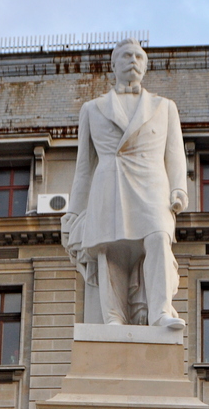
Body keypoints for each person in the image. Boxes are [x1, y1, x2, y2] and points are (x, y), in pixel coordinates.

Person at [62, 38, 188, 328]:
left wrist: (178, 188)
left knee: (158, 238)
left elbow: (175, 155)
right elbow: (84, 168)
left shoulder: (165, 107)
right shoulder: (92, 109)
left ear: (145, 66)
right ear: (113, 65)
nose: (133, 60)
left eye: (139, 57)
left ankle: (160, 312)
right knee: (111, 250)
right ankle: (114, 318)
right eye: (127, 56)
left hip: (152, 185)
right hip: (110, 184)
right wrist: (73, 212)